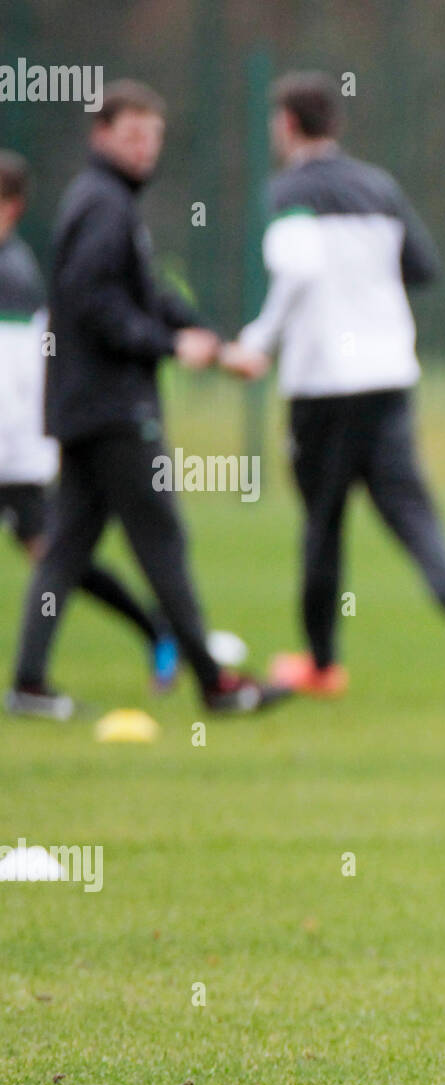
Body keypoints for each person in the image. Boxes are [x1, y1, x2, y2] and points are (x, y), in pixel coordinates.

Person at [6, 81, 286, 718]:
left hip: (83, 406)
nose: (142, 149)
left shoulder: (106, 203)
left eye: (151, 137)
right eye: (130, 135)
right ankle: (216, 684)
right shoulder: (104, 206)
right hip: (113, 409)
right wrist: (167, 345)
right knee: (161, 541)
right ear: (100, 135)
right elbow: (94, 304)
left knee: (67, 545)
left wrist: (210, 345)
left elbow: (146, 293)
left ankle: (28, 684)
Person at [221, 71, 445, 697]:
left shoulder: (287, 190)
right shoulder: (379, 187)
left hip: (323, 385)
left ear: (287, 124)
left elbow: (295, 271)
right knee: (408, 507)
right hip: (389, 374)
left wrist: (257, 343)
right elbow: (422, 268)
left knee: (323, 522)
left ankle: (322, 664)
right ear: (335, 125)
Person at [0, 149, 181, 693]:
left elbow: (17, 381)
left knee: (56, 555)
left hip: (14, 448)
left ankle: (158, 631)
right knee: (57, 554)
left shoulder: (13, 276)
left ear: (12, 206)